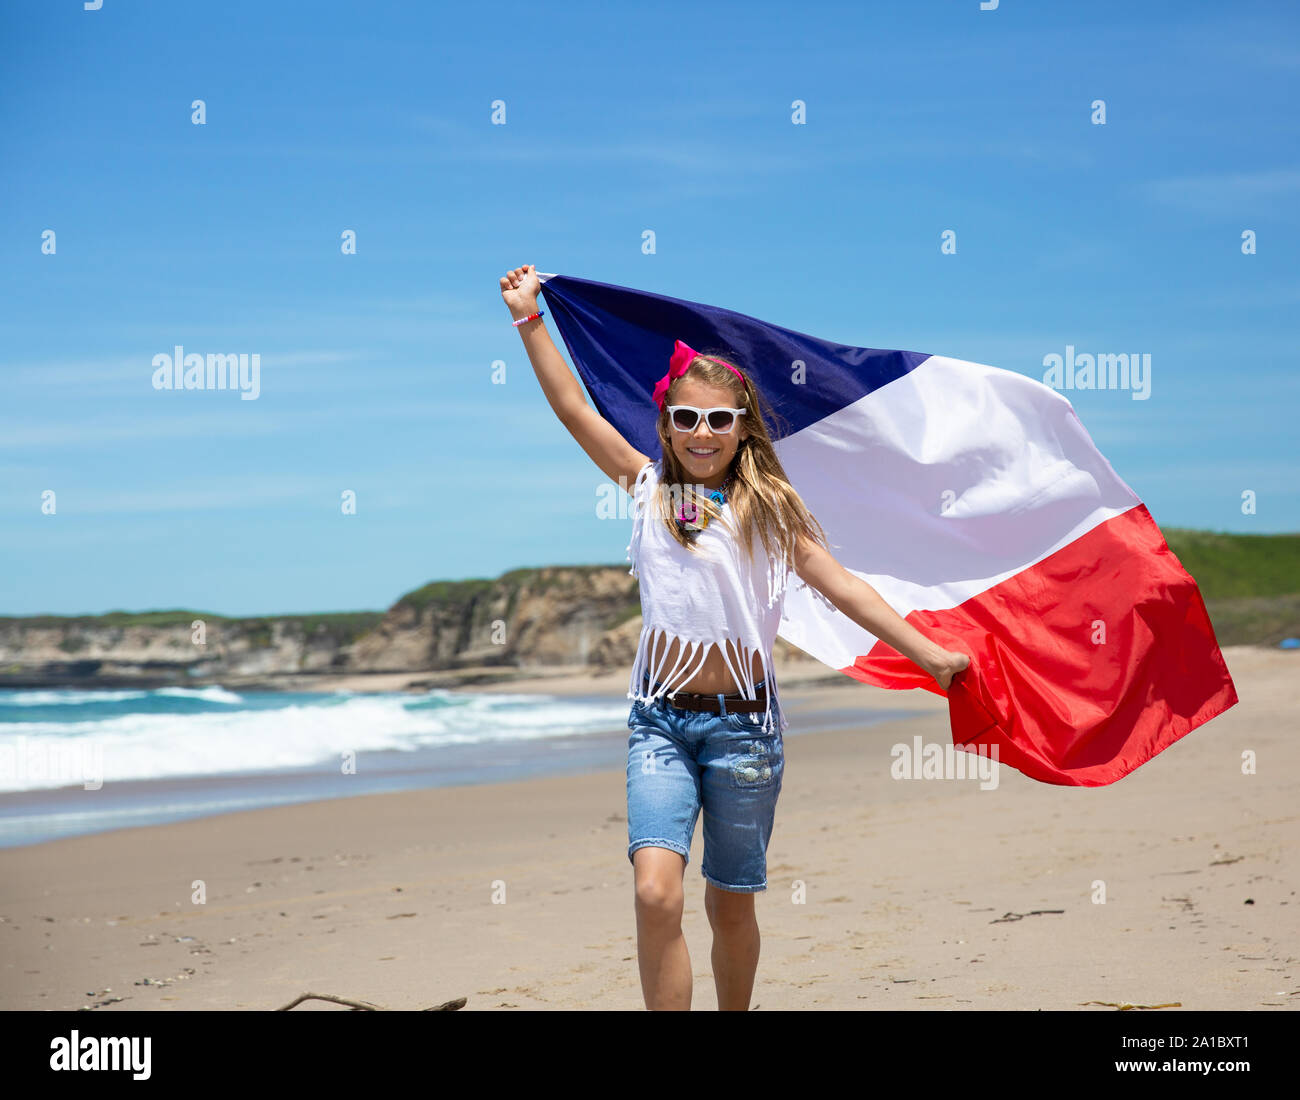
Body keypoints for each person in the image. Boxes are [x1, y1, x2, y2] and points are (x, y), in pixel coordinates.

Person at [499, 264, 970, 1010]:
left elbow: (845, 588)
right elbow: (572, 410)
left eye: (719, 420)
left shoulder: (771, 512)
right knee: (656, 894)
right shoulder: (654, 492)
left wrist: (931, 655)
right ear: (666, 425)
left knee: (730, 906)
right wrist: (531, 320)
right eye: (686, 418)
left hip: (746, 731)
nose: (702, 433)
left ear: (743, 425)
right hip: (661, 723)